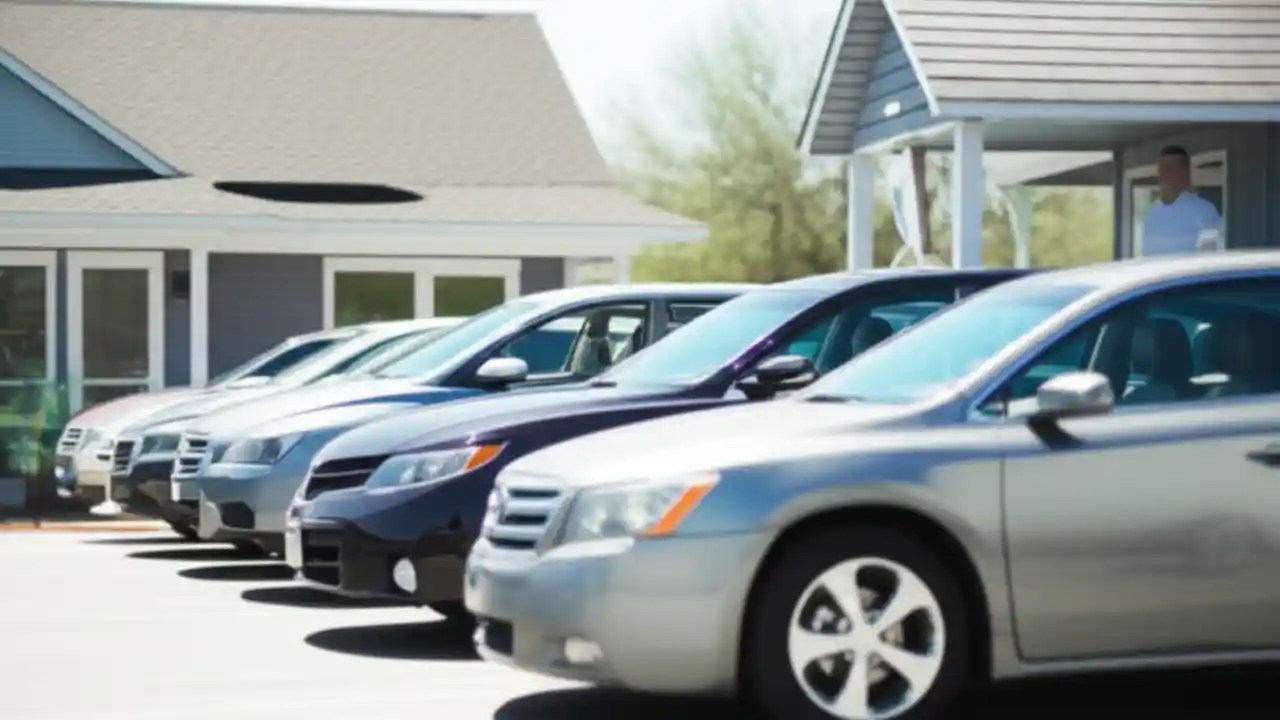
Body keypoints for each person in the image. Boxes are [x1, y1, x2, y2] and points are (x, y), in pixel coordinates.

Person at [1139, 145, 1223, 256]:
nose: (1164, 175)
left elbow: (1210, 258)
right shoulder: (1152, 213)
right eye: (1162, 169)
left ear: (1185, 172)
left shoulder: (1203, 211)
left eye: (1170, 169)